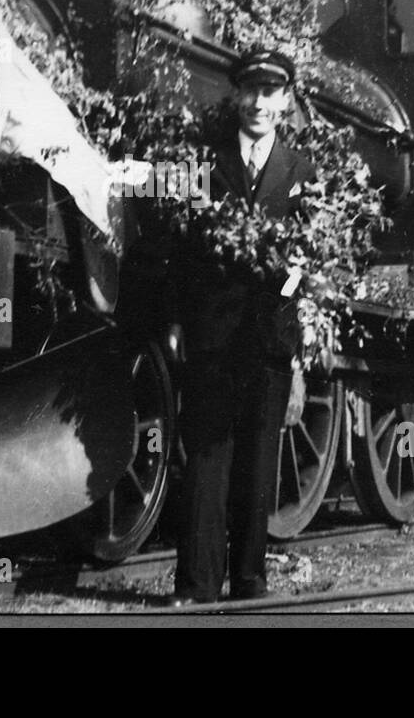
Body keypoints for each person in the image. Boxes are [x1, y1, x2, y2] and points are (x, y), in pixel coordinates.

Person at [170, 47, 316, 605]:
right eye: (250, 90)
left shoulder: (303, 173)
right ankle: (197, 585)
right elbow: (180, 248)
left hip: (270, 337)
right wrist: (180, 321)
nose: (259, 102)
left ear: (285, 100)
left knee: (259, 461)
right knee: (206, 458)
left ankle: (250, 584)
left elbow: (308, 262)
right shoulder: (202, 166)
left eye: (270, 92)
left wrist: (295, 335)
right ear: (236, 96)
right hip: (210, 332)